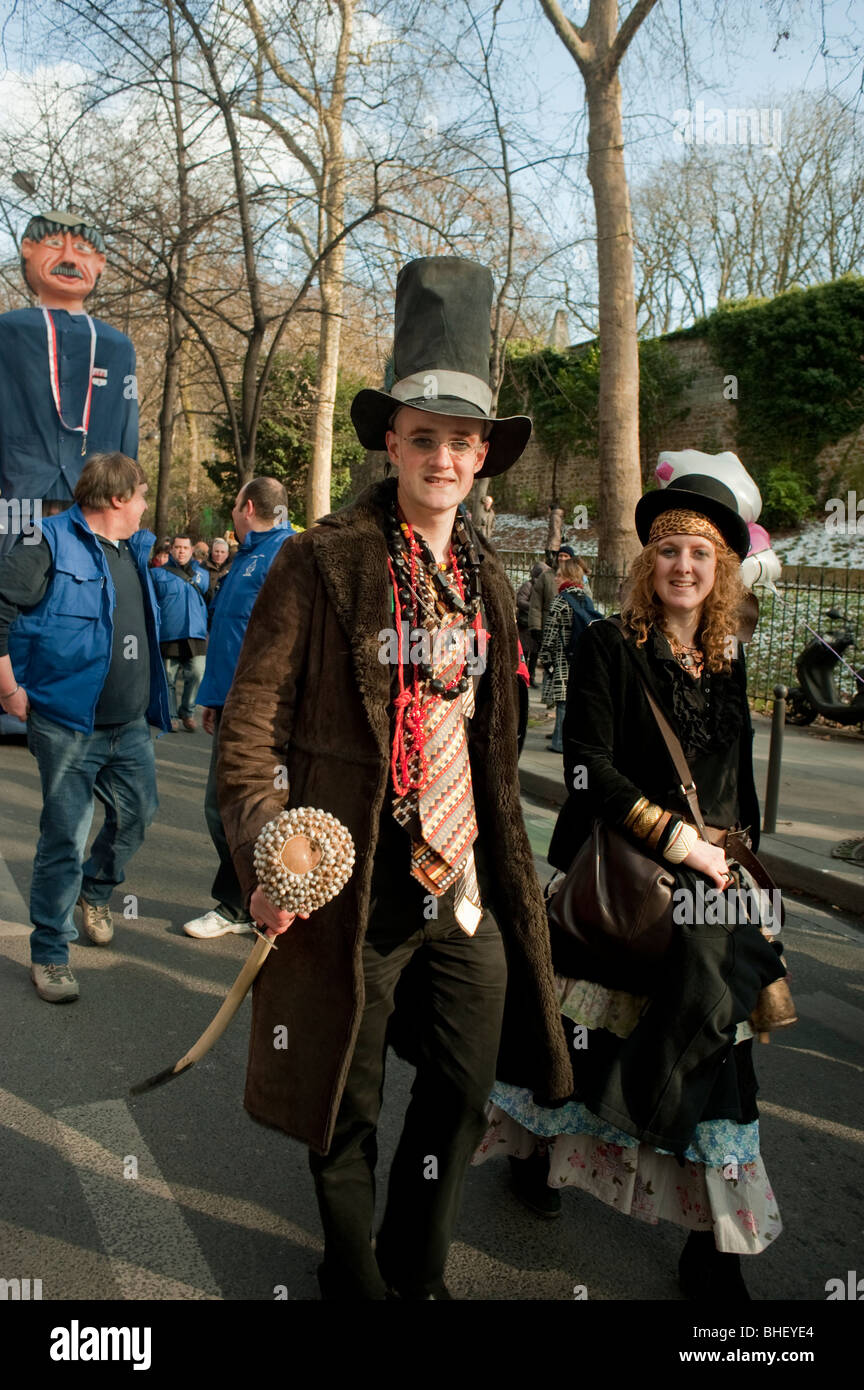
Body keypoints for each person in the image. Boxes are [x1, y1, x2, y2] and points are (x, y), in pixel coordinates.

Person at [216, 256, 572, 1301]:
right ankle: (354, 1270)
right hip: (354, 881)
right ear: (392, 441)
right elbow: (250, 727)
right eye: (425, 436)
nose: (445, 457)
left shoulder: (489, 574)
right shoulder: (319, 561)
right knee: (345, 1093)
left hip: (462, 882)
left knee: (465, 1085)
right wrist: (269, 849)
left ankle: (418, 1259)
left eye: (463, 440)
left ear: (482, 455)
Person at [473, 474, 788, 1301]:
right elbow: (586, 765)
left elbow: (736, 785)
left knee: (714, 1049)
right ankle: (541, 1162)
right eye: (670, 551)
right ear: (648, 563)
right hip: (625, 880)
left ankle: (713, 1250)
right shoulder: (607, 644)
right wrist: (676, 837)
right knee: (587, 1037)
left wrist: (750, 874)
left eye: (700, 554)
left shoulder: (727, 656)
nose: (684, 566)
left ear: (720, 568)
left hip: (714, 889)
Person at [0, 452, 171, 1002]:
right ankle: (50, 952)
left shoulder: (133, 549)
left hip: (130, 726)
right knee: (64, 838)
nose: (146, 505)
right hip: (67, 726)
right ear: (118, 498)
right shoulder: (43, 541)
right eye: (142, 495)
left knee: (139, 815)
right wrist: (9, 690)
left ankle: (96, 888)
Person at [183, 478, 294, 940]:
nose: (231, 514)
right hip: (229, 704)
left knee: (230, 807)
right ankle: (255, 900)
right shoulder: (247, 556)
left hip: (263, 713)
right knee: (223, 808)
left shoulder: (287, 556)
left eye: (233, 506)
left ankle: (240, 904)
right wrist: (211, 698)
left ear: (247, 507)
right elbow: (229, 637)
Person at [0, 210, 137, 560]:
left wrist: (126, 491)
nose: (69, 258)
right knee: (17, 578)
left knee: (85, 579)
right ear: (28, 249)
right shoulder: (8, 333)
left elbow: (128, 424)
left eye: (82, 249)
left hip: (93, 496)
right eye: (54, 244)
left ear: (101, 263)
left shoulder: (117, 346)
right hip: (18, 493)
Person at [537, 555, 600, 753]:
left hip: (562, 658)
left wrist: (545, 659)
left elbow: (549, 635)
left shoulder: (560, 602)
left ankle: (559, 743)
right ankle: (572, 740)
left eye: (558, 575)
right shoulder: (586, 599)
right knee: (575, 702)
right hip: (581, 659)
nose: (555, 579)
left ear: (567, 577)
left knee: (563, 704)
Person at [150, 542, 210, 732]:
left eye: (185, 548)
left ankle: (188, 711)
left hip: (196, 633)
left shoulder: (203, 575)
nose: (181, 551)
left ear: (191, 551)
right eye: (177, 547)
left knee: (198, 673)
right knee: (168, 677)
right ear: (172, 550)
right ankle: (171, 715)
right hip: (169, 633)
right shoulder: (158, 574)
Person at [527, 543, 578, 675]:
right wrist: (535, 627)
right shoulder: (547, 576)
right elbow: (536, 604)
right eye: (560, 555)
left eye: (565, 556)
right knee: (548, 663)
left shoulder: (578, 576)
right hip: (548, 626)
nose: (562, 558)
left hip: (570, 629)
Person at [516, 560, 548, 686]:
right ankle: (522, 677)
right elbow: (520, 601)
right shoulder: (528, 586)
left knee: (534, 654)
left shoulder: (543, 586)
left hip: (536, 624)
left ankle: (532, 677)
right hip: (525, 625)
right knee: (523, 653)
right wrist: (534, 606)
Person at [205, 536, 232, 601]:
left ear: (227, 554)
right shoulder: (203, 567)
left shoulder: (233, 568)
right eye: (216, 551)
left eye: (222, 552)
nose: (219, 554)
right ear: (212, 552)